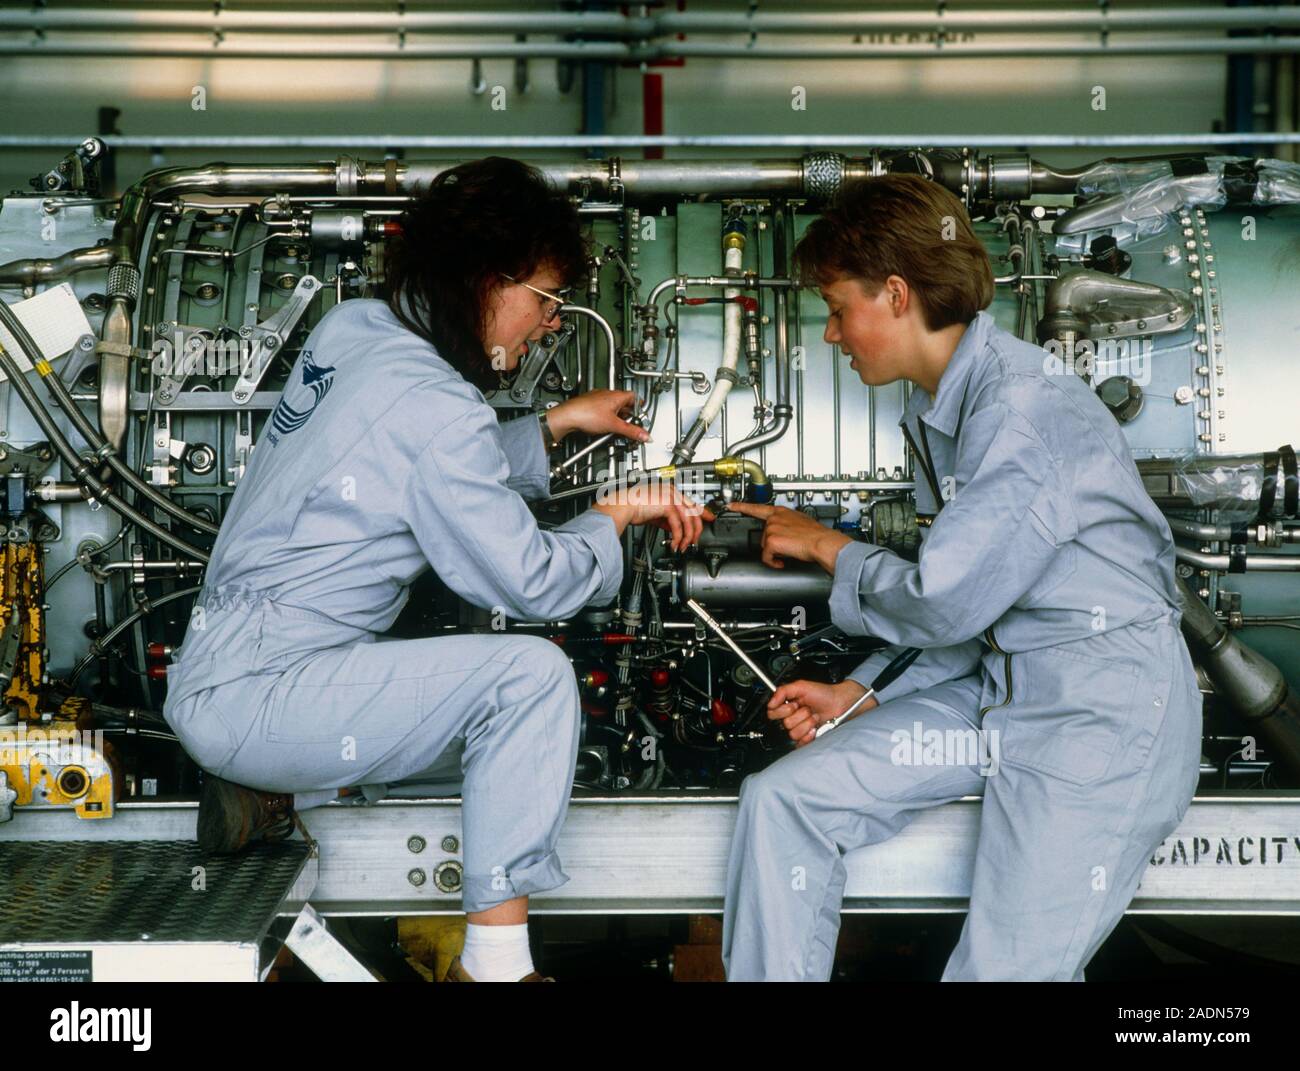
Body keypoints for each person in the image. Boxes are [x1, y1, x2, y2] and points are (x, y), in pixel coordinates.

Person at [161, 157, 709, 982]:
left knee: (492, 730)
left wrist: (551, 425)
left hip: (227, 667)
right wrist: (612, 517)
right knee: (528, 682)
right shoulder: (437, 408)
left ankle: (267, 781)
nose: (552, 322)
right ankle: (493, 967)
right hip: (265, 692)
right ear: (490, 281)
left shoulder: (353, 332)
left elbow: (402, 452)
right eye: (547, 299)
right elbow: (532, 582)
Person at [721, 174, 1203, 981]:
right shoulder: (939, 404)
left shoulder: (1018, 410)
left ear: (897, 295)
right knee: (784, 804)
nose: (833, 335)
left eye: (840, 310)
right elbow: (981, 606)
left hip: (1097, 711)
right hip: (997, 687)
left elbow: (944, 595)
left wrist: (826, 547)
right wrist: (862, 692)